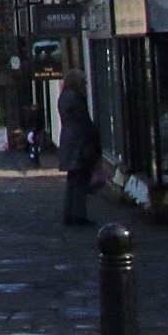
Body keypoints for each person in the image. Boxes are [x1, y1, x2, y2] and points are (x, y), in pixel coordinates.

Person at [57, 70, 102, 226]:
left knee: (72, 178)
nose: (85, 83)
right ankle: (79, 215)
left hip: (68, 139)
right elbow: (84, 120)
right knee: (81, 179)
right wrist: (95, 135)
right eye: (83, 80)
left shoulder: (63, 96)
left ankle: (68, 213)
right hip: (79, 141)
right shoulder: (76, 97)